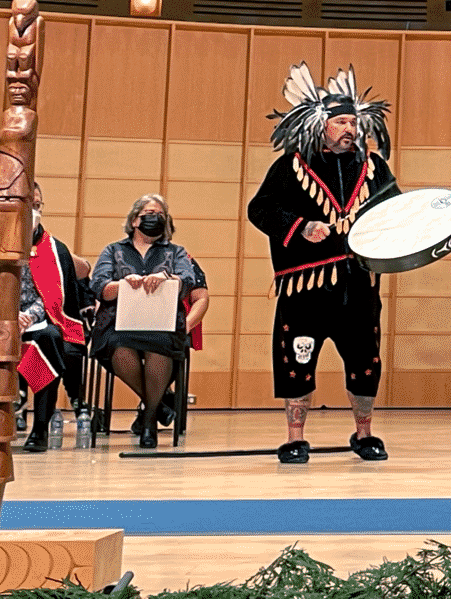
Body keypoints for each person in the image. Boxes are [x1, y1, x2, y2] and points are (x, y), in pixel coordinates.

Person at [247, 63, 397, 465]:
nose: (349, 128)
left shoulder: (374, 168)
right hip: (305, 289)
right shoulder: (290, 167)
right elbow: (259, 209)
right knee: (297, 360)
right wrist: (300, 227)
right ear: (320, 123)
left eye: (353, 121)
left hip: (358, 284)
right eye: (341, 121)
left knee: (365, 361)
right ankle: (295, 438)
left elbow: (395, 212)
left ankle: (364, 434)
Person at [0, 192, 86, 453]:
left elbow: (57, 295)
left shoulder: (55, 249)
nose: (32, 210)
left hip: (37, 321)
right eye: (27, 204)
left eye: (37, 205)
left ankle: (40, 429)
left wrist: (31, 316)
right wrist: (7, 316)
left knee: (50, 338)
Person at [89, 195, 210, 447]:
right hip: (117, 324)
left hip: (162, 322)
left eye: (160, 214)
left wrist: (168, 278)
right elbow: (98, 285)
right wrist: (123, 284)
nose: (154, 218)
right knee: (118, 345)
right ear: (134, 220)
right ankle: (157, 407)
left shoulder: (176, 252)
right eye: (148, 213)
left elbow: (188, 281)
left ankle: (149, 422)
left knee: (162, 343)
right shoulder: (114, 250)